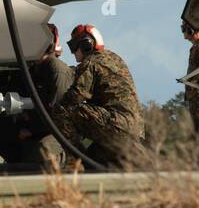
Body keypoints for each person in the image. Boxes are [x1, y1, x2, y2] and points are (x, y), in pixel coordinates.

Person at [53, 24, 145, 167]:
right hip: (134, 128)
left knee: (63, 112)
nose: (73, 53)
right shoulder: (114, 58)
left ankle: (75, 162)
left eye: (74, 47)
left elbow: (77, 95)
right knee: (94, 162)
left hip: (115, 125)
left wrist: (57, 105)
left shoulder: (90, 62)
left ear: (85, 45)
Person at [21, 23, 75, 169]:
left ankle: (68, 164)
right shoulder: (34, 69)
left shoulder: (57, 70)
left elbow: (59, 115)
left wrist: (32, 130)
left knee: (44, 149)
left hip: (62, 131)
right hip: (43, 128)